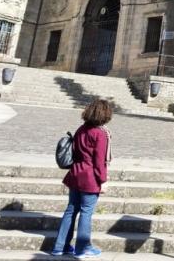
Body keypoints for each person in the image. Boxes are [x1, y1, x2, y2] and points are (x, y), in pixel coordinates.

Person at [51, 99, 113, 258]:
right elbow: (99, 161)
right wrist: (103, 180)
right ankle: (82, 248)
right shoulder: (100, 133)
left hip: (75, 174)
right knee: (86, 212)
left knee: (71, 210)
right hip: (90, 178)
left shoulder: (81, 129)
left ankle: (60, 246)